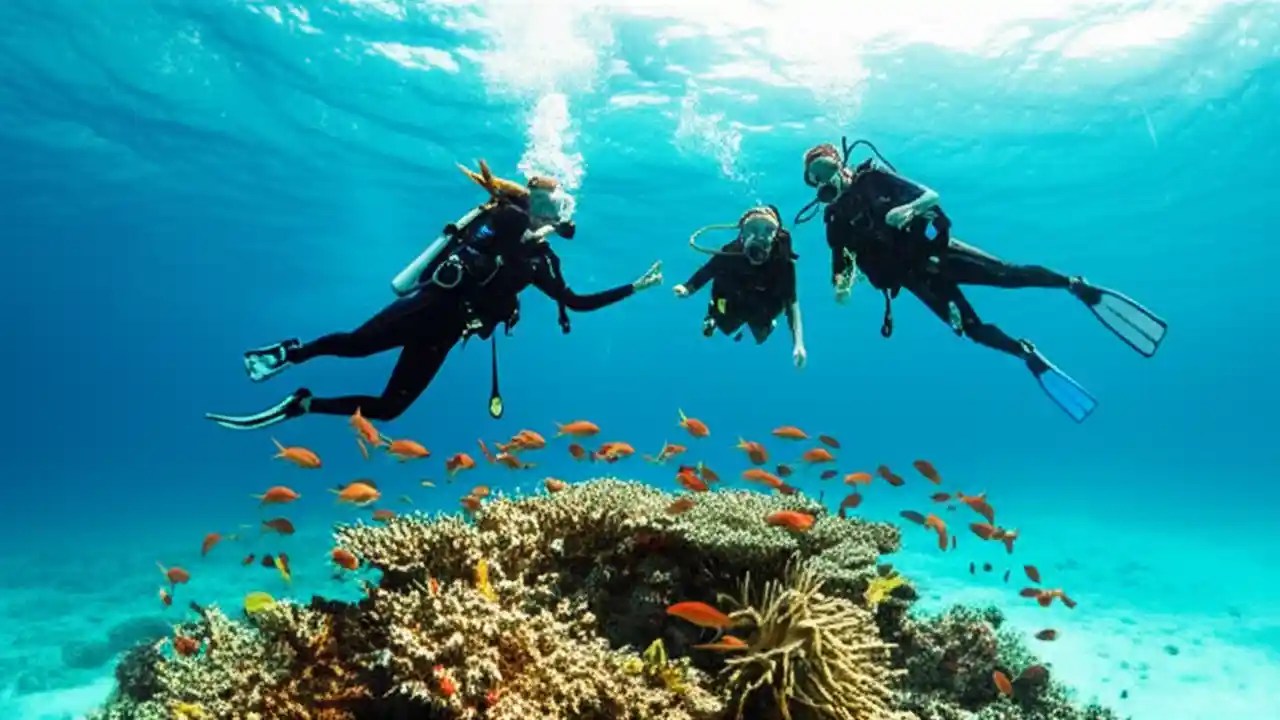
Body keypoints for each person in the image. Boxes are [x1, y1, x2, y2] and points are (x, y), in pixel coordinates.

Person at [206, 160, 663, 430]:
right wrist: (524, 221)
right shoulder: (505, 220)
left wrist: (635, 287)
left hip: (446, 334)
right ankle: (292, 353)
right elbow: (491, 238)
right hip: (429, 306)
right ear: (529, 202)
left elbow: (576, 302)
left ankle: (303, 405)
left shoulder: (541, 263)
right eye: (543, 203)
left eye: (558, 207)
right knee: (354, 346)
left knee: (388, 411)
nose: (549, 213)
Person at [797, 138, 1168, 422]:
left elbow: (932, 195)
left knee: (1008, 275)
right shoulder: (835, 219)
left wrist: (908, 208)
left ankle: (1074, 284)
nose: (824, 178)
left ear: (840, 161)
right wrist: (841, 287)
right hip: (917, 280)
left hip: (939, 253)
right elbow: (840, 264)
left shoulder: (875, 178)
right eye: (815, 176)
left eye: (827, 166)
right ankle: (1025, 353)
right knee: (971, 330)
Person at [673, 205, 808, 368]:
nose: (760, 237)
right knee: (725, 323)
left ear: (776, 235)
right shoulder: (730, 253)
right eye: (752, 229)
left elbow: (792, 304)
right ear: (741, 234)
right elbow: (708, 271)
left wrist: (798, 343)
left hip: (762, 306)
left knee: (760, 334)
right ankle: (713, 316)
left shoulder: (783, 264)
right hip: (731, 300)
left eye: (768, 230)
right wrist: (688, 288)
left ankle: (764, 326)